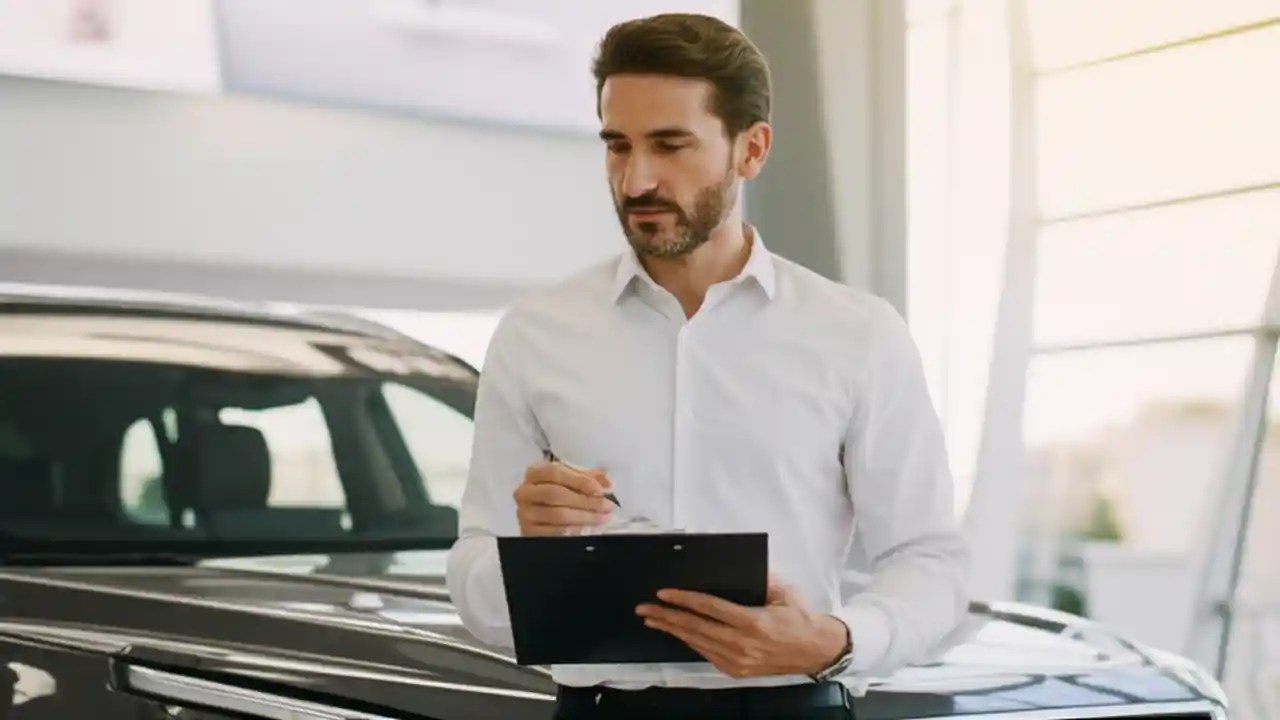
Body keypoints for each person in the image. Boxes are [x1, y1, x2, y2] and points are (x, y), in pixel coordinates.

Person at [446, 12, 969, 720]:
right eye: (617, 146)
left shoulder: (859, 335)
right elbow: (473, 576)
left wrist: (833, 640)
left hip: (793, 706)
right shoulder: (536, 335)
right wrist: (530, 553)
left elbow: (930, 561)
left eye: (670, 145)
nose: (636, 180)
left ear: (751, 150)